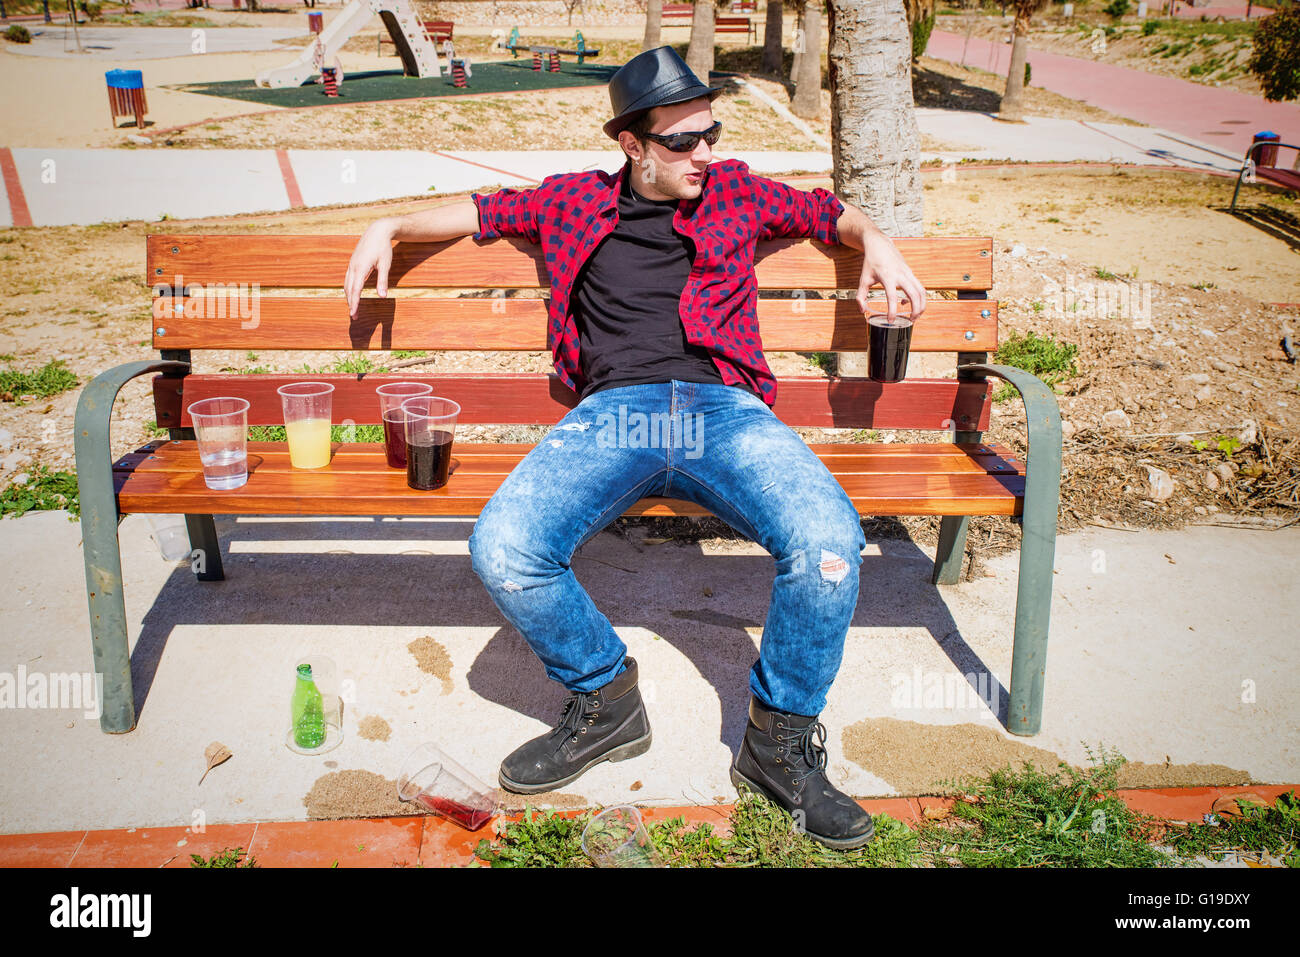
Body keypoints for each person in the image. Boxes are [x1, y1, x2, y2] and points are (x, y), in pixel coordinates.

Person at [344, 46, 926, 850]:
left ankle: (779, 742)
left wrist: (879, 244)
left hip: (725, 410)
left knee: (829, 546)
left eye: (710, 134)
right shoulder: (573, 202)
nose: (704, 154)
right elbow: (479, 211)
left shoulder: (739, 194)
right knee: (505, 547)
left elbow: (831, 215)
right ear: (634, 146)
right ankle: (606, 697)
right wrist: (389, 224)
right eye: (683, 142)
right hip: (614, 414)